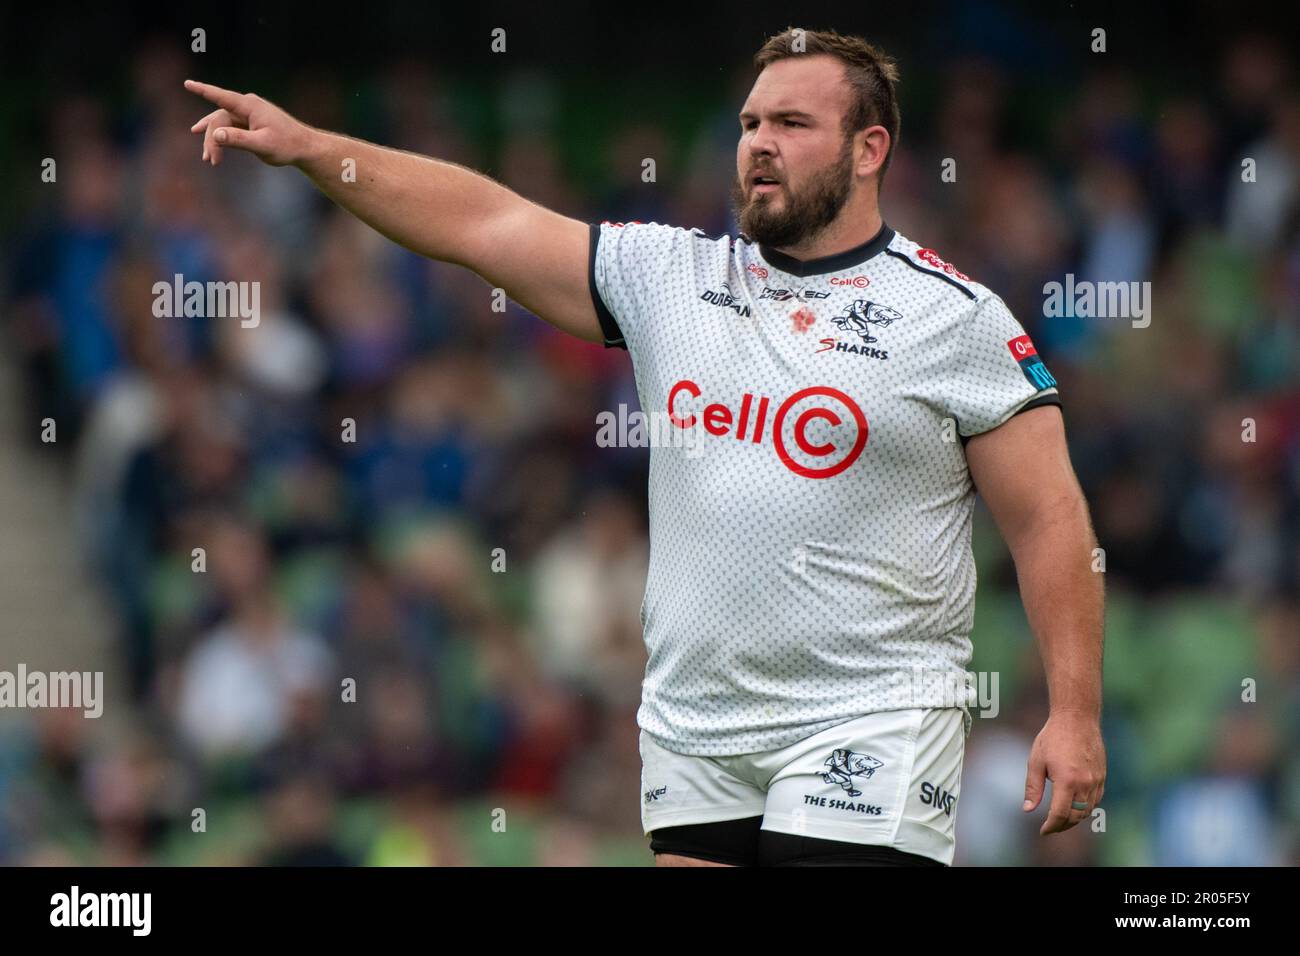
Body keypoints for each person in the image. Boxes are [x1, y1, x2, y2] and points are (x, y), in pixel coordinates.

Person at [184, 25, 1105, 867]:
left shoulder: (956, 320)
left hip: (870, 715)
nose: (760, 143)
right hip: (696, 723)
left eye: (793, 122)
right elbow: (483, 222)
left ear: (871, 151)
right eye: (750, 122)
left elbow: (1049, 516)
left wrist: (1075, 714)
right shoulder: (670, 276)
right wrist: (313, 150)